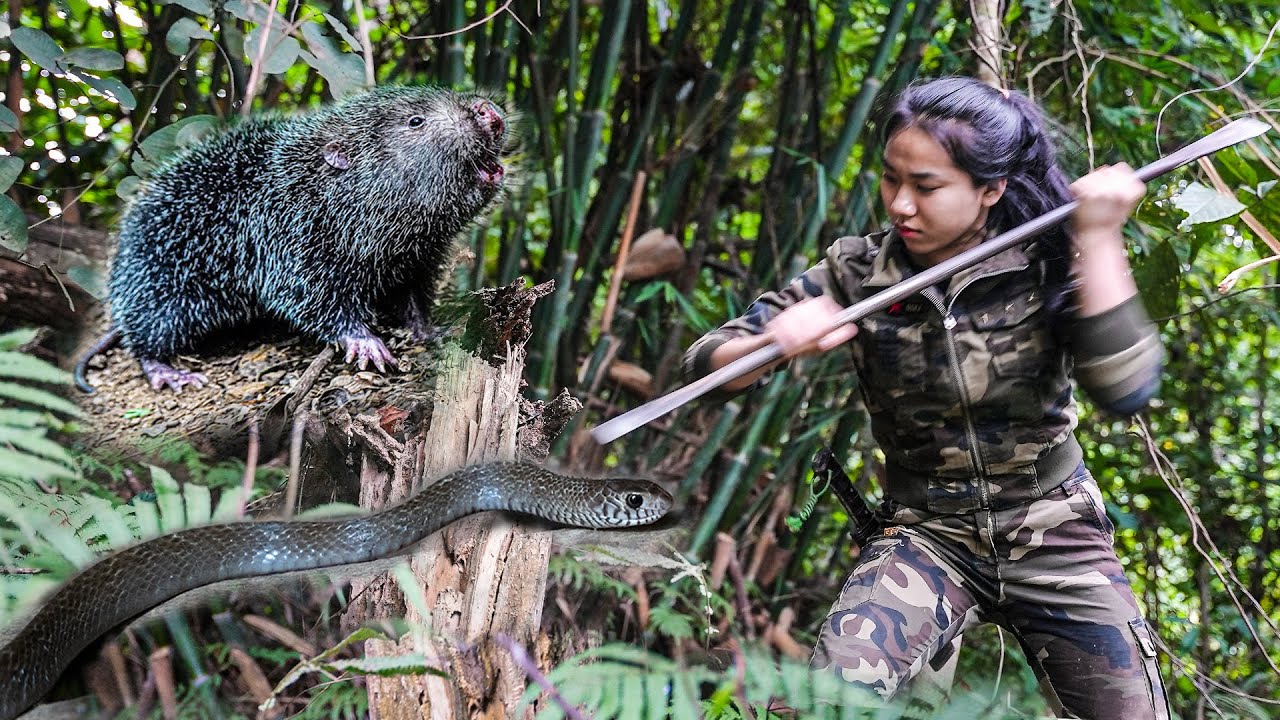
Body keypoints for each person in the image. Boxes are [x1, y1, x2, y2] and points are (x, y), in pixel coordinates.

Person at [682, 77, 1170, 719]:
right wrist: (772, 342)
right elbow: (703, 366)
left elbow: (1128, 386)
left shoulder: (1052, 258)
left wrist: (1102, 238)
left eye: (927, 187)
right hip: (928, 535)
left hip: (1053, 531)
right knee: (825, 703)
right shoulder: (855, 274)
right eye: (891, 180)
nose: (900, 206)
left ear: (990, 190)